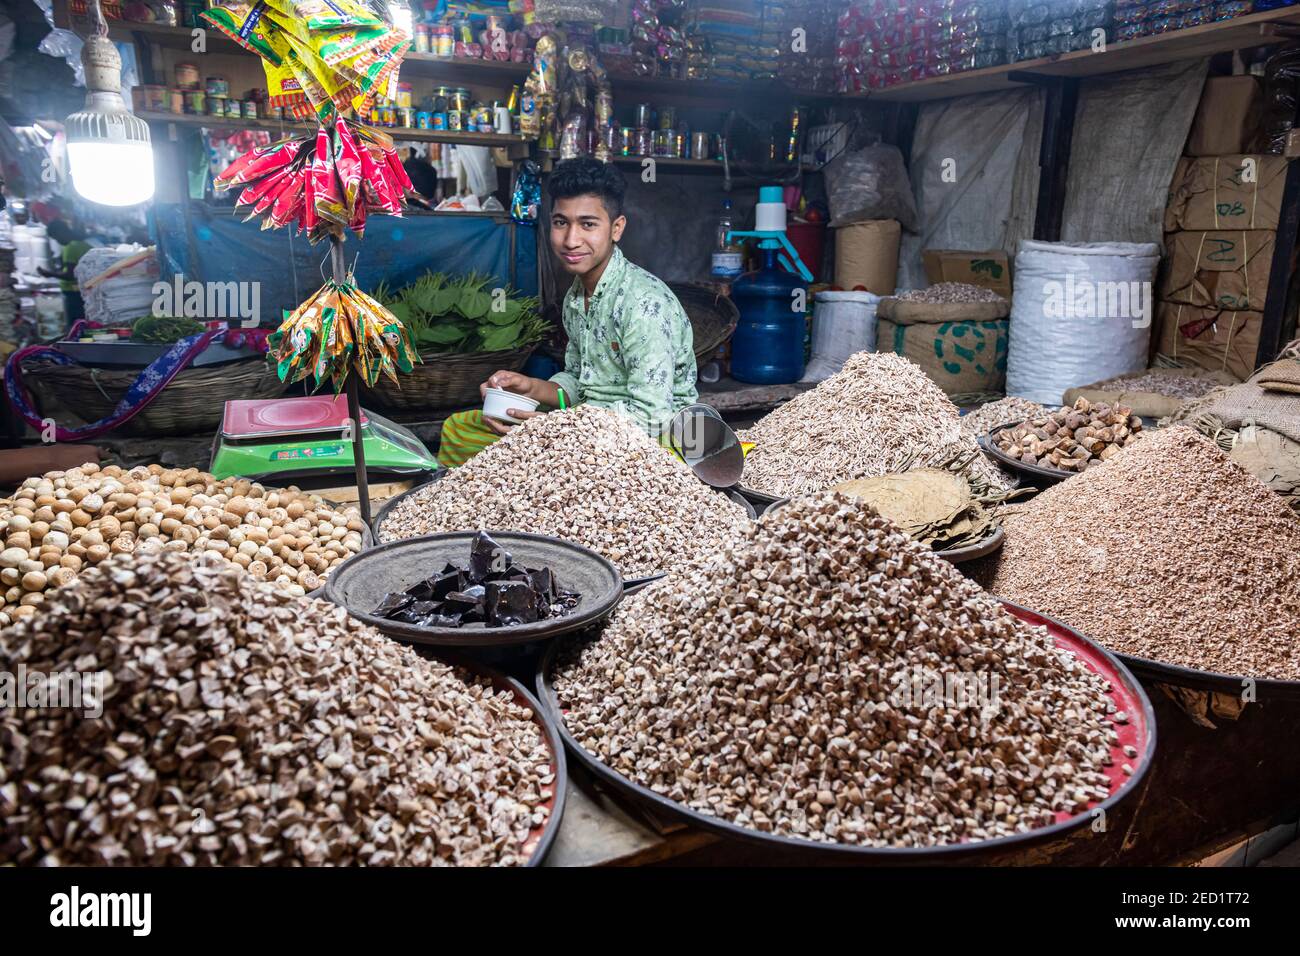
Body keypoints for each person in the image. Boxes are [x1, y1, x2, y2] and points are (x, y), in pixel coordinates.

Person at [437, 158, 697, 467]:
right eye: (561, 222)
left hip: (650, 440)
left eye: (588, 224)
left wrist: (556, 429)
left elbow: (651, 416)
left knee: (534, 462)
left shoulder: (643, 304)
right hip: (583, 425)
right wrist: (530, 386)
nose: (571, 240)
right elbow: (579, 381)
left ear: (616, 228)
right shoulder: (577, 296)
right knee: (459, 429)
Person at [37, 218, 92, 327]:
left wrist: (50, 274)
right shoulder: (83, 245)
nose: (58, 241)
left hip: (73, 293)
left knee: (75, 325)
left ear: (60, 232)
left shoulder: (70, 247)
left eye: (56, 238)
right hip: (85, 293)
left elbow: (70, 275)